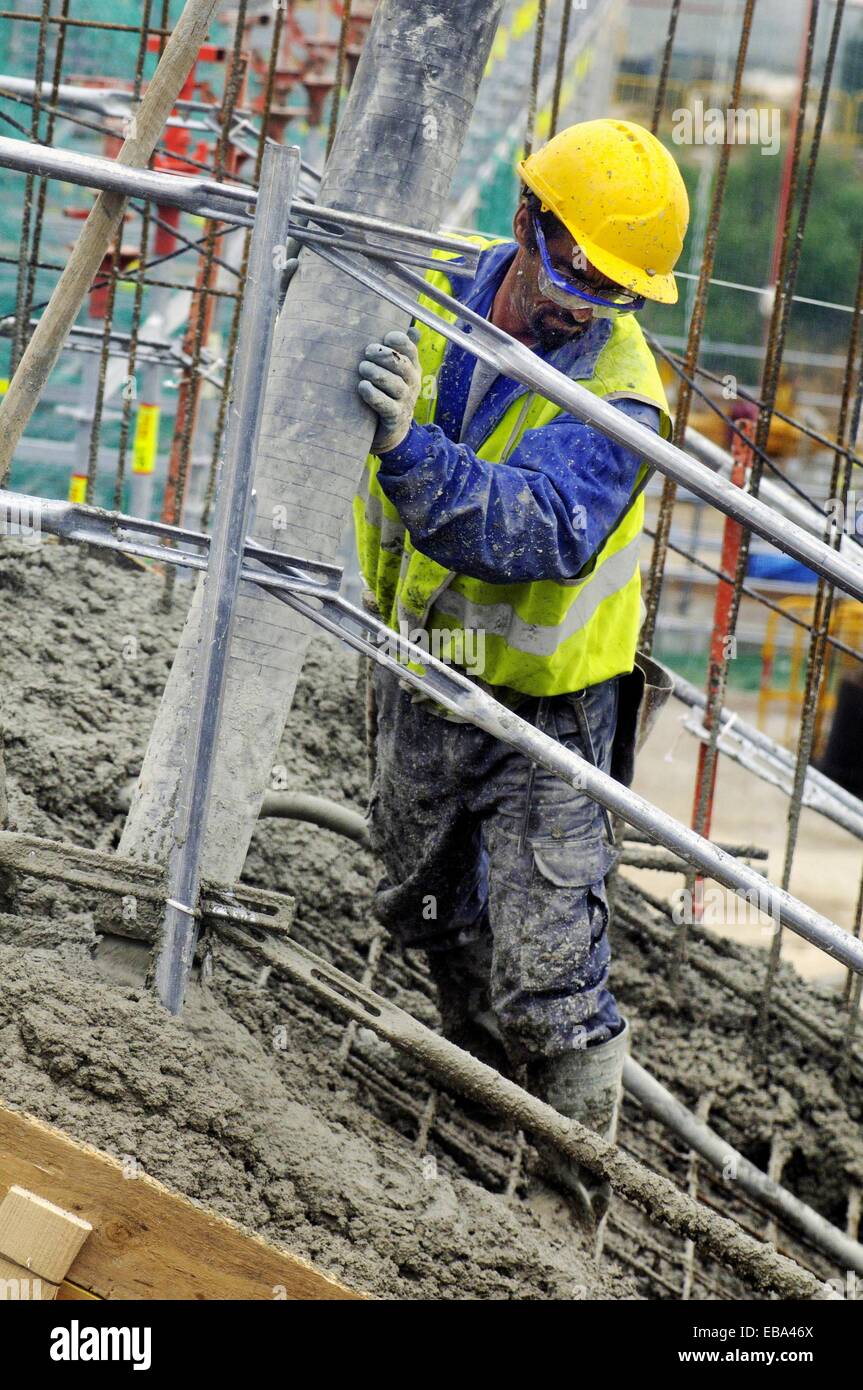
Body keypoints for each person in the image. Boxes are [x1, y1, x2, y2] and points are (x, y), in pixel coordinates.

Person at [353, 118, 689, 1229]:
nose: (583, 303)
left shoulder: (624, 401)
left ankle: (566, 1204)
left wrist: (408, 451)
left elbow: (536, 528)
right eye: (569, 267)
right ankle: (475, 1073)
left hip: (547, 711)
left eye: (614, 290)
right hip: (424, 666)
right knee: (424, 899)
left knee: (549, 973)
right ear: (522, 220)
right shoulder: (436, 292)